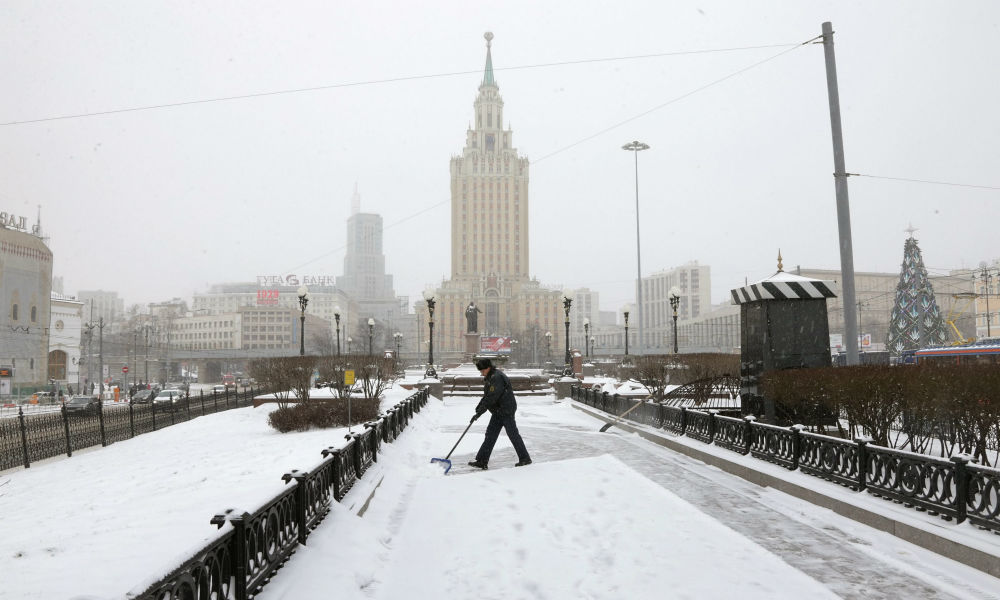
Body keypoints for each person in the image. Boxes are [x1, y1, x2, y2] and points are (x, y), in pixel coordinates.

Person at [468, 358, 532, 469]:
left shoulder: (496, 377)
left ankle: (525, 458)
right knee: (490, 435)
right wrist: (478, 410)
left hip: (506, 410)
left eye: (482, 371)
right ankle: (482, 460)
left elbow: (492, 397)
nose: (481, 373)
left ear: (488, 368)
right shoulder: (490, 377)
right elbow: (487, 396)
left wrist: (479, 413)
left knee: (513, 434)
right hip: (498, 411)